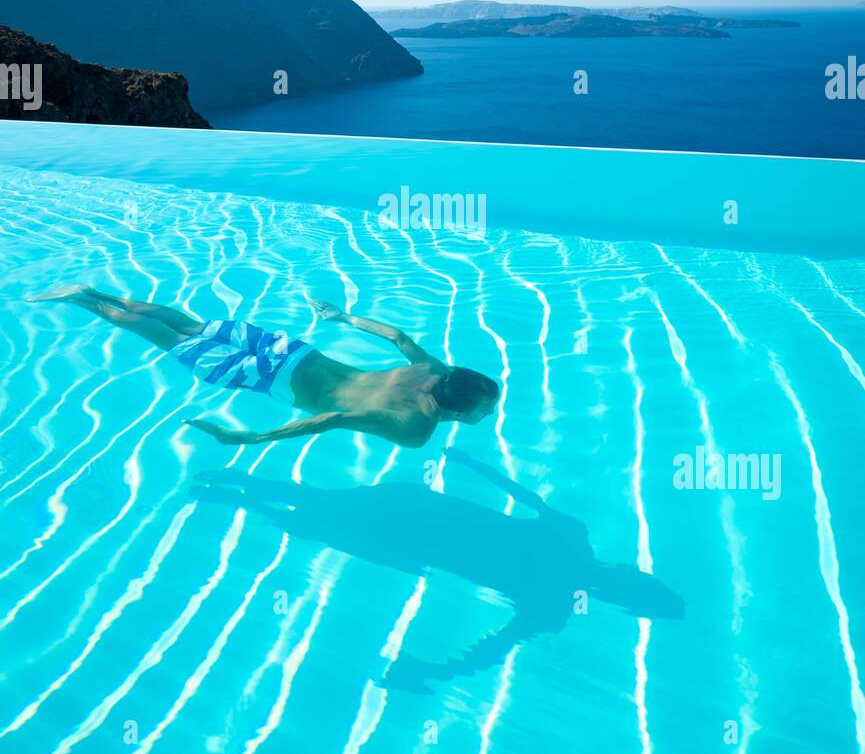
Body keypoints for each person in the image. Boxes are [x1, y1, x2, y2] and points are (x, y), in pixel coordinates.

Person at [194, 448, 685, 692]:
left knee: (320, 505)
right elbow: (489, 650)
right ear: (618, 603)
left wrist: (470, 462)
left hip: (419, 510)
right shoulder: (552, 606)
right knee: (314, 523)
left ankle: (242, 486)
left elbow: (519, 492)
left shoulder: (572, 537)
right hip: (409, 542)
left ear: (630, 570)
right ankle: (243, 499)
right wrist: (432, 670)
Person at [28, 288, 499, 449]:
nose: (486, 414)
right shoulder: (416, 427)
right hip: (271, 379)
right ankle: (83, 301)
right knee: (170, 338)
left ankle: (95, 290)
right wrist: (252, 439)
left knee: (189, 323)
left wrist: (340, 317)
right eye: (484, 409)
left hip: (294, 351)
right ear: (458, 407)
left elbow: (397, 336)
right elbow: (332, 419)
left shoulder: (434, 369)